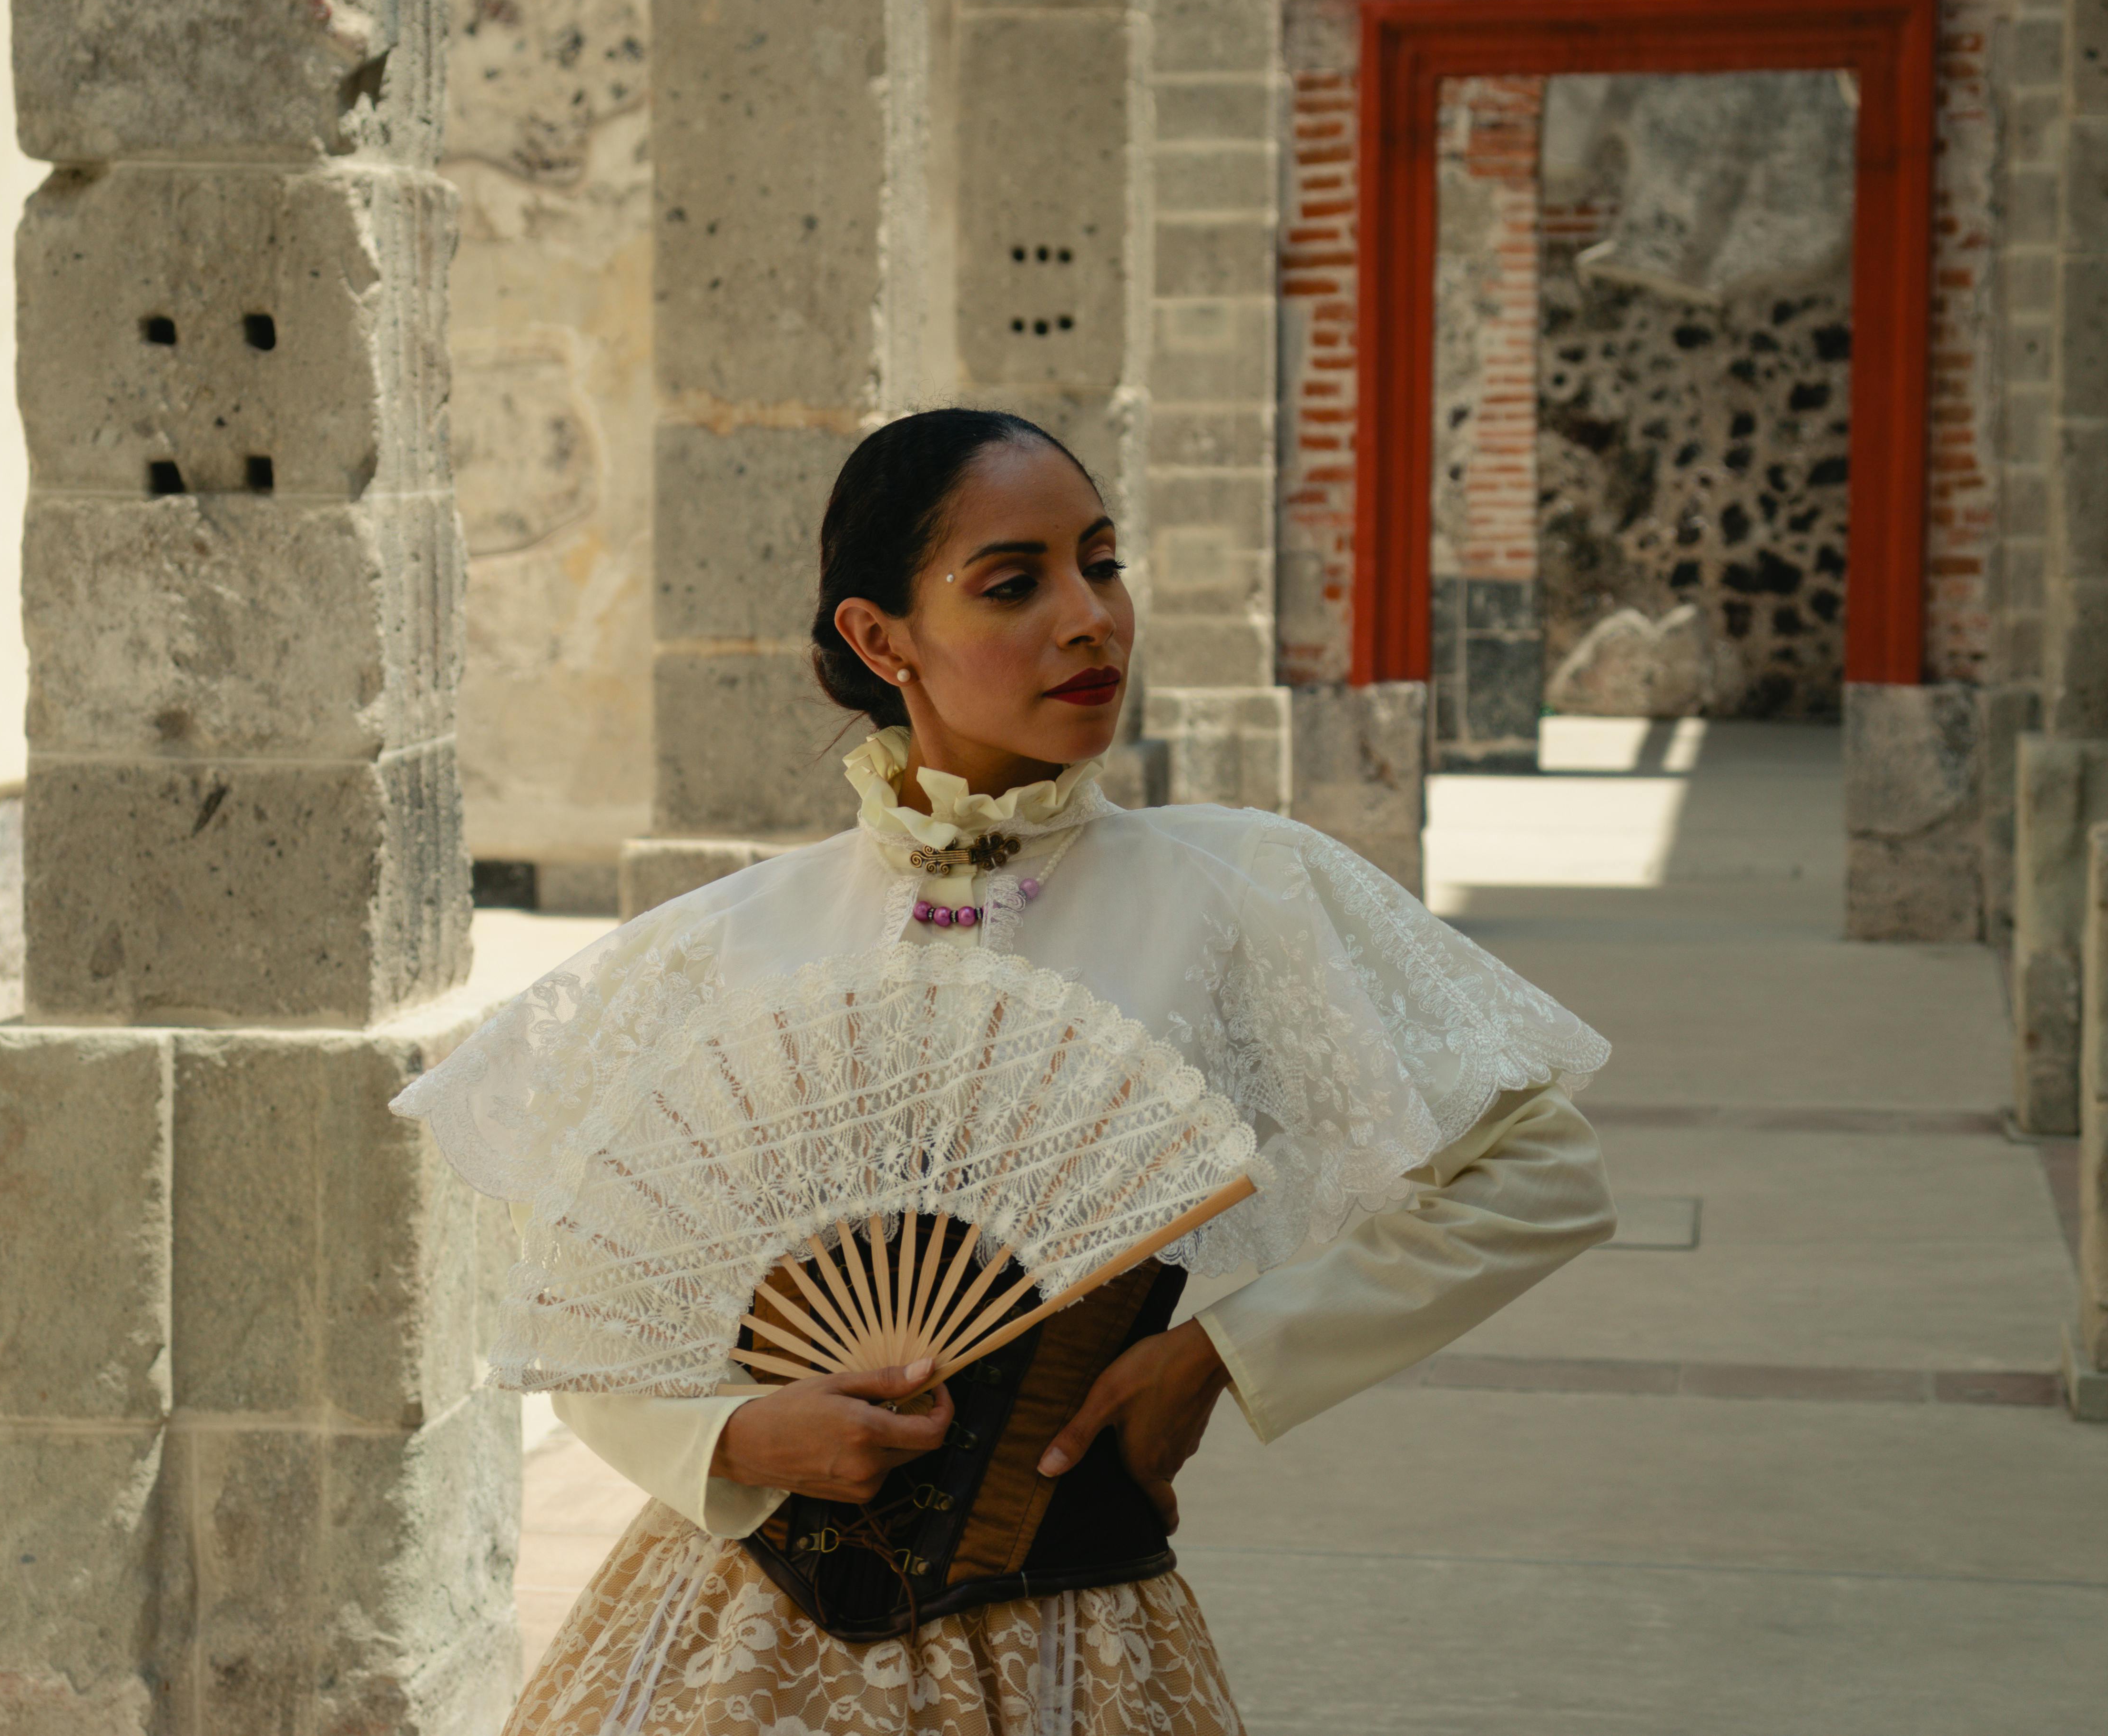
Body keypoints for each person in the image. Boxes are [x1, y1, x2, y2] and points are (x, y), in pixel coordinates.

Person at [392, 406, 1615, 1736]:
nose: (1091, 617)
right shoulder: (730, 945)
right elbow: (592, 1305)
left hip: (1069, 1638)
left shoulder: (1238, 889)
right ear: (881, 639)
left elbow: (1538, 1174)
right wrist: (733, 1442)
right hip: (735, 1637)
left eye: (1103, 561)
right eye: (1016, 582)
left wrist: (1221, 1352)